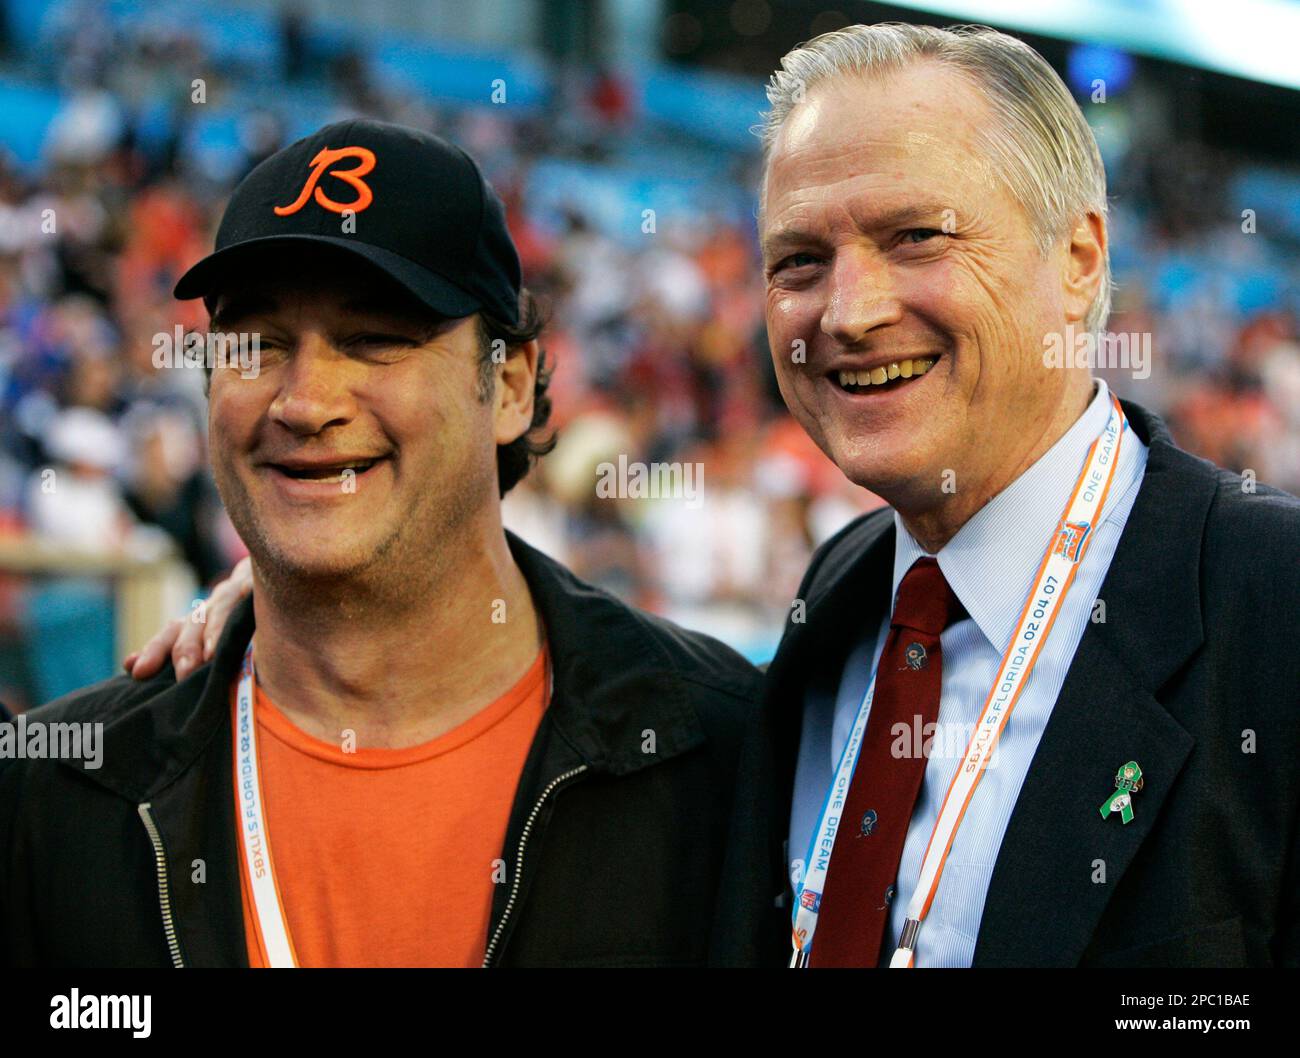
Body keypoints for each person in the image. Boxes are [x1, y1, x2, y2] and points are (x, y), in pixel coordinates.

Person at [0, 119, 778, 968]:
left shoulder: (724, 753)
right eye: (256, 344)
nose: (305, 400)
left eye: (375, 339)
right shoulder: (58, 796)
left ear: (510, 385)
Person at [755, 23, 1299, 967]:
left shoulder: (1274, 603)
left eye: (917, 237)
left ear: (1080, 259)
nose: (848, 313)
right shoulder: (839, 597)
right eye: (799, 260)